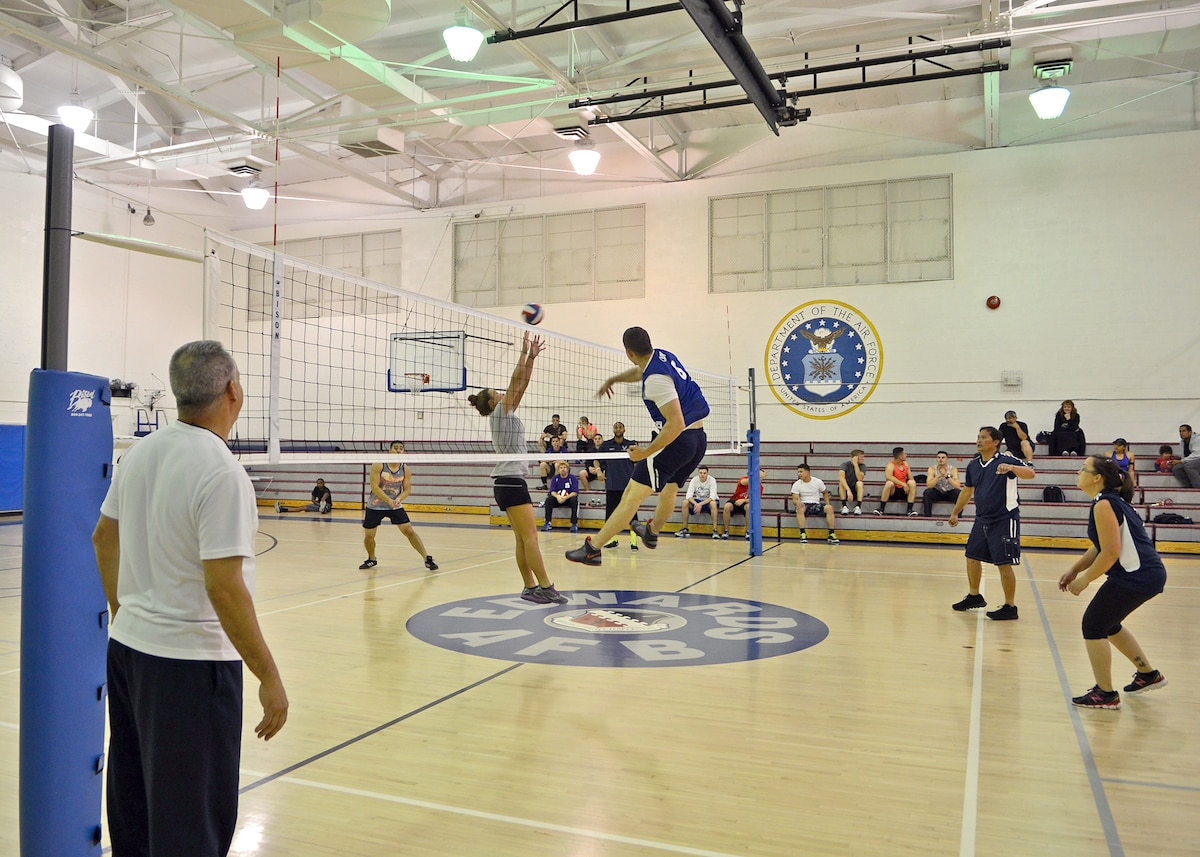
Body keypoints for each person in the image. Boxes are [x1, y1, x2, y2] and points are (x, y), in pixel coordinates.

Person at [91, 340, 288, 857]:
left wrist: (123, 612)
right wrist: (268, 674)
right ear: (232, 391)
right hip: (190, 667)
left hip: (128, 651)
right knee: (193, 820)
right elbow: (223, 587)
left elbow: (102, 539)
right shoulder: (221, 472)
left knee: (135, 805)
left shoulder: (140, 453)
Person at [566, 327, 709, 565]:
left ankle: (593, 548)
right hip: (698, 440)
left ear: (628, 352)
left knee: (630, 498)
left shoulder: (655, 381)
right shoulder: (663, 356)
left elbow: (675, 424)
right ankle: (651, 534)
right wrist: (614, 379)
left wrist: (646, 452)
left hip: (678, 440)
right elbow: (642, 372)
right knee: (670, 489)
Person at [1058, 456, 1168, 710]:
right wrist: (1075, 570)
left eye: (1083, 469)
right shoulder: (1108, 501)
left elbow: (1110, 552)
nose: (1079, 471)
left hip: (1137, 575)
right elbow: (1099, 545)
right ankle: (1148, 675)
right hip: (1144, 574)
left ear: (1097, 478)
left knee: (1093, 624)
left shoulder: (1104, 504)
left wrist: (1085, 580)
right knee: (1108, 623)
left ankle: (1105, 694)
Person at [467, 332, 567, 604]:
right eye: (498, 393)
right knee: (531, 536)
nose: (504, 393)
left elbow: (521, 385)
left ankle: (529, 587)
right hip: (510, 481)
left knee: (523, 539)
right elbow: (515, 381)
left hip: (507, 482)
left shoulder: (506, 412)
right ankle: (545, 586)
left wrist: (532, 358)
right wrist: (523, 353)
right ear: (492, 402)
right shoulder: (500, 412)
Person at [949, 427, 1037, 620]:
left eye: (983, 437)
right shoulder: (973, 465)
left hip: (1004, 519)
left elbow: (1031, 473)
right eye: (978, 437)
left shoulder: (1006, 460)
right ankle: (974, 596)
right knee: (971, 556)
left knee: (1003, 563)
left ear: (995, 442)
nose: (979, 440)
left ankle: (1010, 606)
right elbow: (967, 491)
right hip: (982, 519)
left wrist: (1012, 468)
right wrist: (956, 512)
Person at [360, 440, 438, 571]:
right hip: (375, 506)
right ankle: (371, 559)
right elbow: (374, 487)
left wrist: (398, 499)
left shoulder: (405, 469)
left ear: (403, 452)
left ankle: (427, 558)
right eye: (395, 448)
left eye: (401, 448)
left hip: (394, 505)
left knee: (409, 530)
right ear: (389, 450)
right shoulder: (379, 465)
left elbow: (407, 490)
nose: (398, 450)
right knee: (369, 536)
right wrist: (388, 500)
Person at [598, 422, 639, 551]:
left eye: (620, 427)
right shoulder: (606, 445)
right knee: (611, 514)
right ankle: (612, 540)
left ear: (624, 429)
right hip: (612, 484)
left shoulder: (631, 444)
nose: (618, 429)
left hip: (628, 485)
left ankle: (634, 542)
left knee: (632, 513)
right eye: (616, 427)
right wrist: (599, 471)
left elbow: (638, 461)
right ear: (613, 430)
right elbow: (596, 459)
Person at [790, 464, 839, 544]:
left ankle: (831, 533)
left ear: (807, 472)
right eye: (798, 472)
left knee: (829, 508)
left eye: (801, 472)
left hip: (816, 504)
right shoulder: (797, 484)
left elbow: (825, 493)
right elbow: (794, 499)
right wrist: (797, 502)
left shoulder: (818, 481)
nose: (799, 474)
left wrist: (828, 504)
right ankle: (803, 533)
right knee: (799, 508)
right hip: (804, 505)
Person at [721, 469, 766, 539]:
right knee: (727, 506)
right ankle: (726, 530)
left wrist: (744, 500)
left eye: (761, 477)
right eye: (758, 476)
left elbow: (755, 499)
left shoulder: (760, 487)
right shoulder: (744, 479)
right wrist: (756, 477)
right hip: (735, 500)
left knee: (749, 506)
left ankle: (748, 531)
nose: (760, 478)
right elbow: (744, 482)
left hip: (745, 503)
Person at [677, 465, 720, 539]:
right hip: (698, 501)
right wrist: (696, 504)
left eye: (704, 473)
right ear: (698, 473)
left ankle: (715, 530)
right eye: (700, 473)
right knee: (685, 502)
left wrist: (700, 504)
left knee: (713, 503)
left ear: (707, 473)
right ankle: (685, 529)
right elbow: (688, 495)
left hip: (709, 501)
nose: (702, 475)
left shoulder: (712, 480)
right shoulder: (694, 480)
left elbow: (712, 497)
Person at [874, 446, 917, 516]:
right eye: (905, 454)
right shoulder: (890, 465)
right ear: (900, 456)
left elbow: (911, 478)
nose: (906, 455)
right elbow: (889, 476)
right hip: (894, 491)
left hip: (904, 491)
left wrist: (908, 484)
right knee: (889, 483)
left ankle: (909, 510)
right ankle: (881, 509)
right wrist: (903, 484)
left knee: (912, 482)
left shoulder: (905, 464)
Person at [542, 460, 580, 533]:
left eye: (564, 467)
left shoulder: (572, 478)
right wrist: (558, 497)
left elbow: (575, 492)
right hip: (558, 499)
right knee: (549, 499)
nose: (563, 469)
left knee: (574, 500)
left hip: (568, 499)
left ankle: (574, 524)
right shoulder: (555, 478)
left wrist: (565, 497)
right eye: (561, 468)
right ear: (558, 470)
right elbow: (552, 491)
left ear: (568, 469)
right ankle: (548, 522)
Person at [922, 451, 962, 517]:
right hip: (937, 492)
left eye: (943, 457)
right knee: (927, 492)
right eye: (938, 457)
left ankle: (958, 516)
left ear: (947, 459)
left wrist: (947, 476)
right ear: (936, 459)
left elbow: (957, 485)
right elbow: (929, 485)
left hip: (950, 492)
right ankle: (927, 516)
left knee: (959, 493)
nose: (940, 459)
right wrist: (938, 476)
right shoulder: (932, 469)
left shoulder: (953, 469)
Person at [837, 449, 866, 515]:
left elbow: (860, 478)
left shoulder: (863, 466)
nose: (863, 459)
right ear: (855, 458)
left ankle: (858, 506)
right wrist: (848, 491)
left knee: (860, 483)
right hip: (846, 488)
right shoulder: (845, 465)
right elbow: (841, 477)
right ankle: (844, 506)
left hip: (855, 488)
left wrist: (856, 465)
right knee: (841, 482)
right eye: (862, 457)